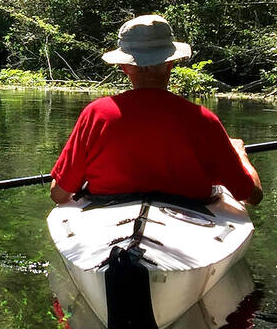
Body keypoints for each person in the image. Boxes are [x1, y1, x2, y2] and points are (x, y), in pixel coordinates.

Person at [49, 14, 262, 209]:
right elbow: (252, 196)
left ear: (124, 67)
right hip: (189, 216)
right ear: (170, 63)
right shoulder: (205, 120)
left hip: (107, 212)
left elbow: (59, 195)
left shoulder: (95, 114)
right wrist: (240, 154)